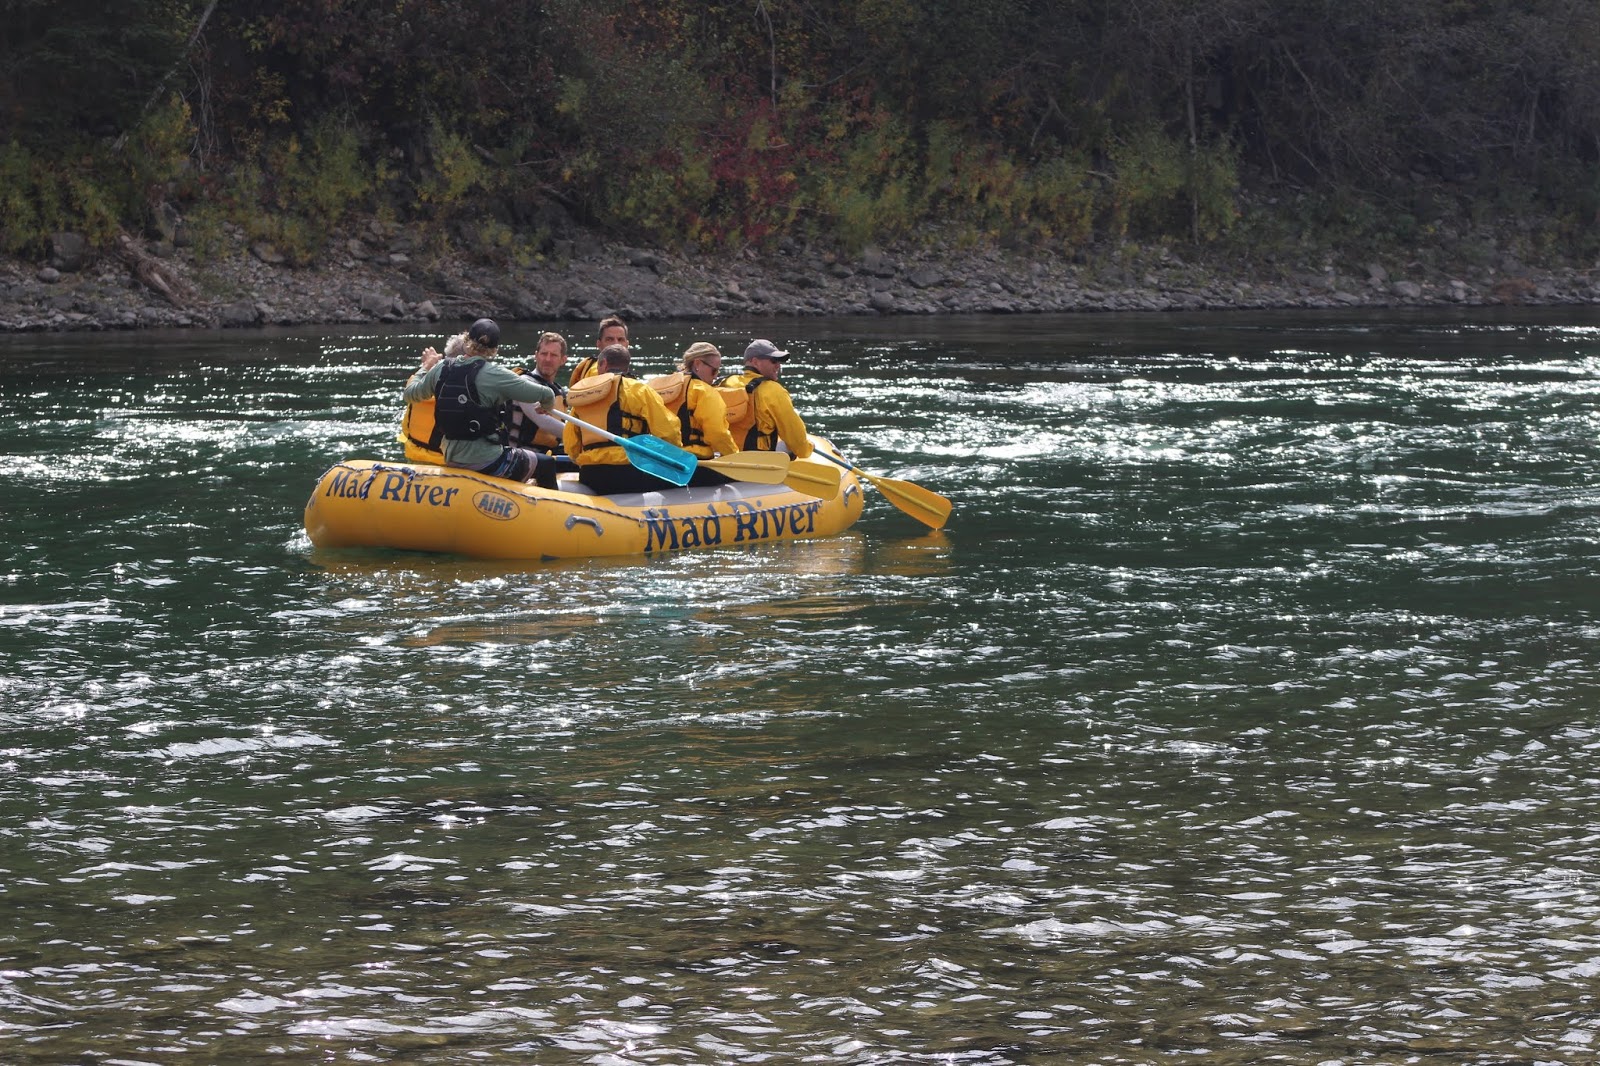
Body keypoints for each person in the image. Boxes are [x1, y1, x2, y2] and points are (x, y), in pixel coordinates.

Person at [401, 318, 558, 484]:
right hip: (487, 461)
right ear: (494, 349)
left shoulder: (441, 368)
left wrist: (425, 367)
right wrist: (545, 407)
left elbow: (410, 393)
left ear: (467, 340)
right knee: (546, 464)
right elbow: (546, 394)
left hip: (450, 457)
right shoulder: (496, 375)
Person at [562, 343, 683, 494]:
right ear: (627, 366)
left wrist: (580, 458)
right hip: (629, 472)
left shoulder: (585, 394)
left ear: (604, 364)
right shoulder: (639, 390)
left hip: (591, 474)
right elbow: (669, 432)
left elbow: (570, 443)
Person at [648, 341, 740, 486]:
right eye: (714, 371)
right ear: (697, 364)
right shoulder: (704, 392)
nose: (716, 376)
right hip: (695, 466)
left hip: (662, 463)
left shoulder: (656, 387)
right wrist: (735, 457)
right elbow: (717, 433)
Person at [718, 338, 814, 459]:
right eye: (773, 361)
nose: (778, 366)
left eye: (779, 361)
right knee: (789, 444)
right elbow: (796, 438)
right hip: (760, 462)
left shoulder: (727, 382)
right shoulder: (774, 391)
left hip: (728, 457)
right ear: (755, 361)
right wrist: (807, 449)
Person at [506, 330, 571, 470]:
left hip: (545, 455)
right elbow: (544, 421)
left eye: (553, 355)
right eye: (543, 354)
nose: (547, 359)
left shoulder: (558, 391)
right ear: (536, 356)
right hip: (520, 456)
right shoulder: (524, 384)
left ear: (563, 360)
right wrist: (583, 436)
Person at [568, 314, 629, 386]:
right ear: (599, 344)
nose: (616, 344)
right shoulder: (591, 372)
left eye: (620, 339)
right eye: (609, 339)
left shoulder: (635, 385)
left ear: (627, 344)